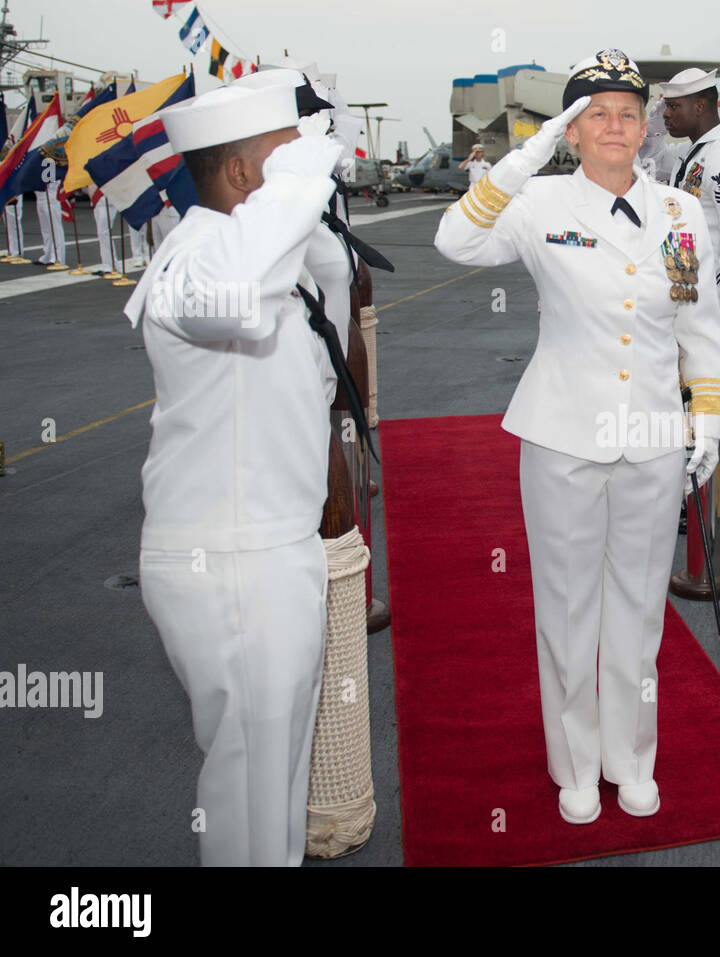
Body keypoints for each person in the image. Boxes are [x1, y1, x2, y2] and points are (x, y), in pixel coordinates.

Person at [435, 48, 720, 825]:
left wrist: (710, 416)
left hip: (656, 434)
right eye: (594, 113)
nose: (615, 126)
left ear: (644, 126)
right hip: (562, 433)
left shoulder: (680, 213)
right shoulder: (538, 204)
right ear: (571, 128)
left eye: (628, 113)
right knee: (566, 608)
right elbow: (453, 242)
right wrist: (525, 153)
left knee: (638, 608)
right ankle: (574, 763)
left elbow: (699, 323)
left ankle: (632, 756)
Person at [123, 81, 346, 866]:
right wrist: (301, 172)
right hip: (229, 561)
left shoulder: (274, 263)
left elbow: (322, 379)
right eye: (290, 159)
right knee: (249, 806)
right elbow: (237, 303)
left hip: (276, 551)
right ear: (249, 178)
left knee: (276, 786)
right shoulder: (198, 261)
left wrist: (317, 224)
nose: (314, 172)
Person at [640, 68, 720, 528]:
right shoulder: (695, 151)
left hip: (715, 301)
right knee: (694, 402)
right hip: (689, 294)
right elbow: (647, 152)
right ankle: (702, 496)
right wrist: (654, 114)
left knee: (718, 403)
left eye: (674, 106)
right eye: (666, 106)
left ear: (702, 106)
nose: (668, 114)